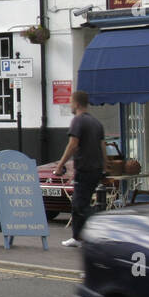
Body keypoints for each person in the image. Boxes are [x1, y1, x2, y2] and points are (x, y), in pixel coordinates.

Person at [55, 90, 105, 247]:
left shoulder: (78, 121)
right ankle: (81, 236)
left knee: (79, 204)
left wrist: (60, 164)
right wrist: (106, 165)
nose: (70, 105)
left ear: (76, 104)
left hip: (85, 168)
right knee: (82, 203)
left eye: (70, 102)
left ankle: (84, 236)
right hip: (96, 169)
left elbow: (73, 144)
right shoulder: (96, 122)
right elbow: (103, 146)